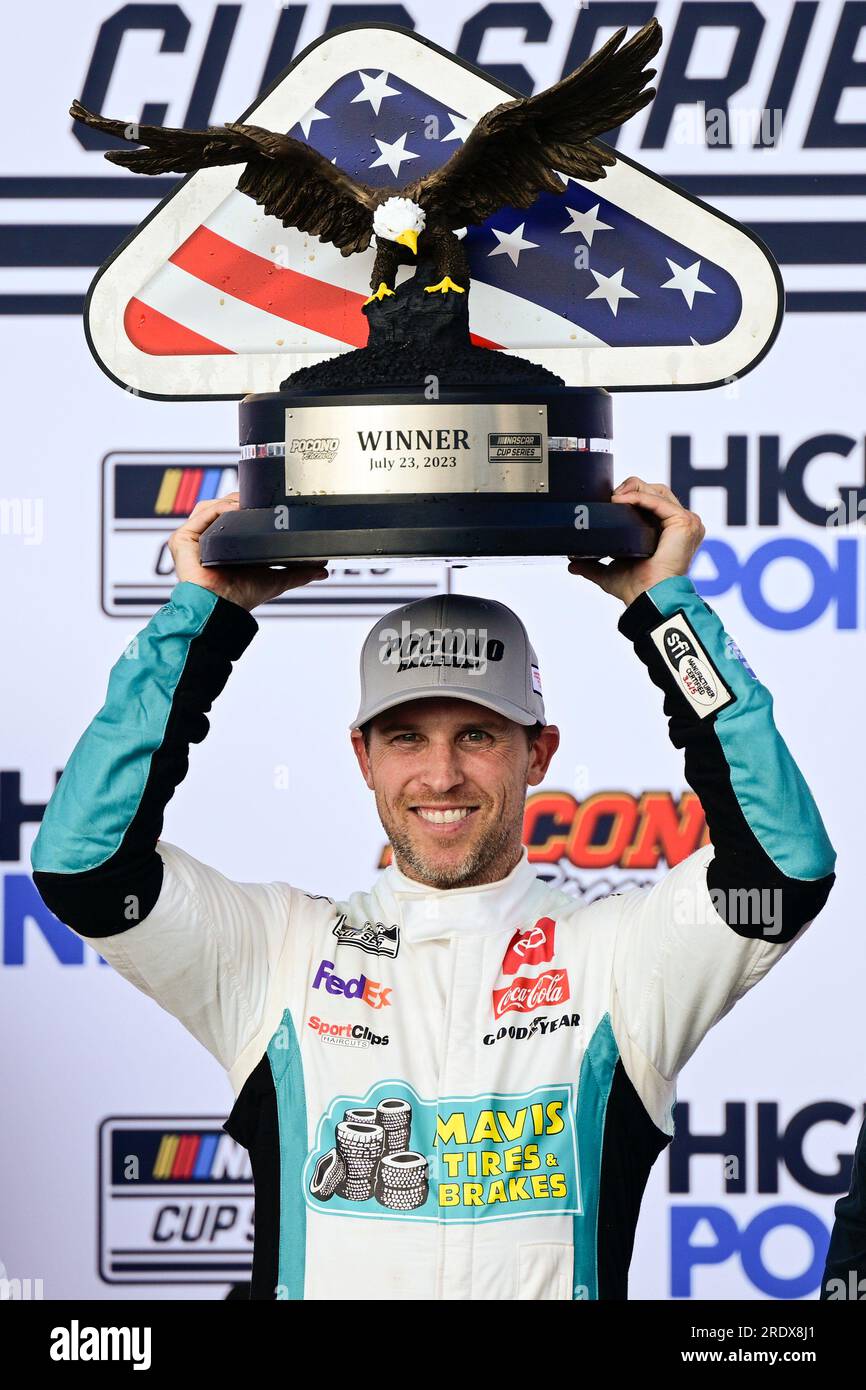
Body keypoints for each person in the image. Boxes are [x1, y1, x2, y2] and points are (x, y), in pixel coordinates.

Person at [31, 479, 836, 1301]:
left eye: (478, 735)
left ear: (539, 754)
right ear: (363, 758)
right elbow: (86, 864)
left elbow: (782, 863)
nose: (441, 775)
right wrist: (203, 617)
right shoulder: (280, 951)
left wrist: (666, 609)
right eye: (407, 736)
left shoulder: (619, 962)